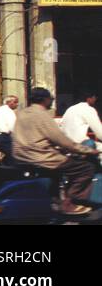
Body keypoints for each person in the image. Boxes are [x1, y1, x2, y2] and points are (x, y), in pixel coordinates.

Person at [12, 86, 96, 215]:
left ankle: (55, 200)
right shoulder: (42, 115)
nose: (51, 102)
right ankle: (70, 204)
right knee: (85, 168)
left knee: (56, 171)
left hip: (20, 156)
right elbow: (62, 140)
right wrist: (87, 150)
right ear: (45, 100)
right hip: (40, 158)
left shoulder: (22, 113)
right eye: (50, 99)